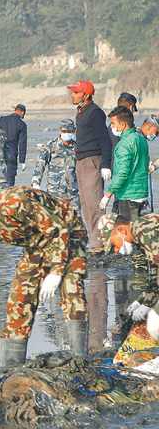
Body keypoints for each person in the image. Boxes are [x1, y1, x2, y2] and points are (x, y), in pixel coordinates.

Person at [0, 185, 88, 367]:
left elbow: (58, 230)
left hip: (68, 232)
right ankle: (11, 368)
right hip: (36, 244)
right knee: (19, 300)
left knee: (71, 289)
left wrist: (56, 272)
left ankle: (79, 359)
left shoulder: (14, 203)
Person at [99, 106, 150, 270]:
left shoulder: (123, 145)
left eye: (113, 124)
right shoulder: (140, 139)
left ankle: (140, 269)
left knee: (130, 233)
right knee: (137, 230)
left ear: (123, 125)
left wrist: (107, 194)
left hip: (128, 195)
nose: (112, 127)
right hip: (141, 193)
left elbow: (121, 174)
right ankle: (140, 264)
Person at [68, 80, 113, 251]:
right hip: (81, 162)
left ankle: (101, 243)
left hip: (93, 161)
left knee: (95, 204)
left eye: (76, 92)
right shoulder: (81, 111)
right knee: (86, 205)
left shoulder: (94, 113)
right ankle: (94, 242)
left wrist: (106, 165)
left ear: (85, 95)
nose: (72, 95)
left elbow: (105, 141)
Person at [99, 214, 159, 331]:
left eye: (113, 245)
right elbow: (154, 276)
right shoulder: (139, 232)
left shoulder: (144, 232)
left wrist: (147, 305)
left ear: (121, 230)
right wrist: (139, 301)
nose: (116, 250)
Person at [32, 119, 81, 211]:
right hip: (55, 191)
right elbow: (40, 164)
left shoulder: (77, 147)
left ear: (74, 130)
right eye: (64, 131)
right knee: (55, 220)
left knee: (76, 220)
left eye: (69, 131)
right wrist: (36, 182)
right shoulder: (51, 146)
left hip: (72, 191)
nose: (67, 133)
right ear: (59, 130)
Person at [0, 104, 28, 186]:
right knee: (10, 179)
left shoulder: (2, 119)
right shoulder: (22, 124)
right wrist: (22, 160)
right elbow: (22, 143)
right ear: (22, 113)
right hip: (11, 153)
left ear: (14, 111)